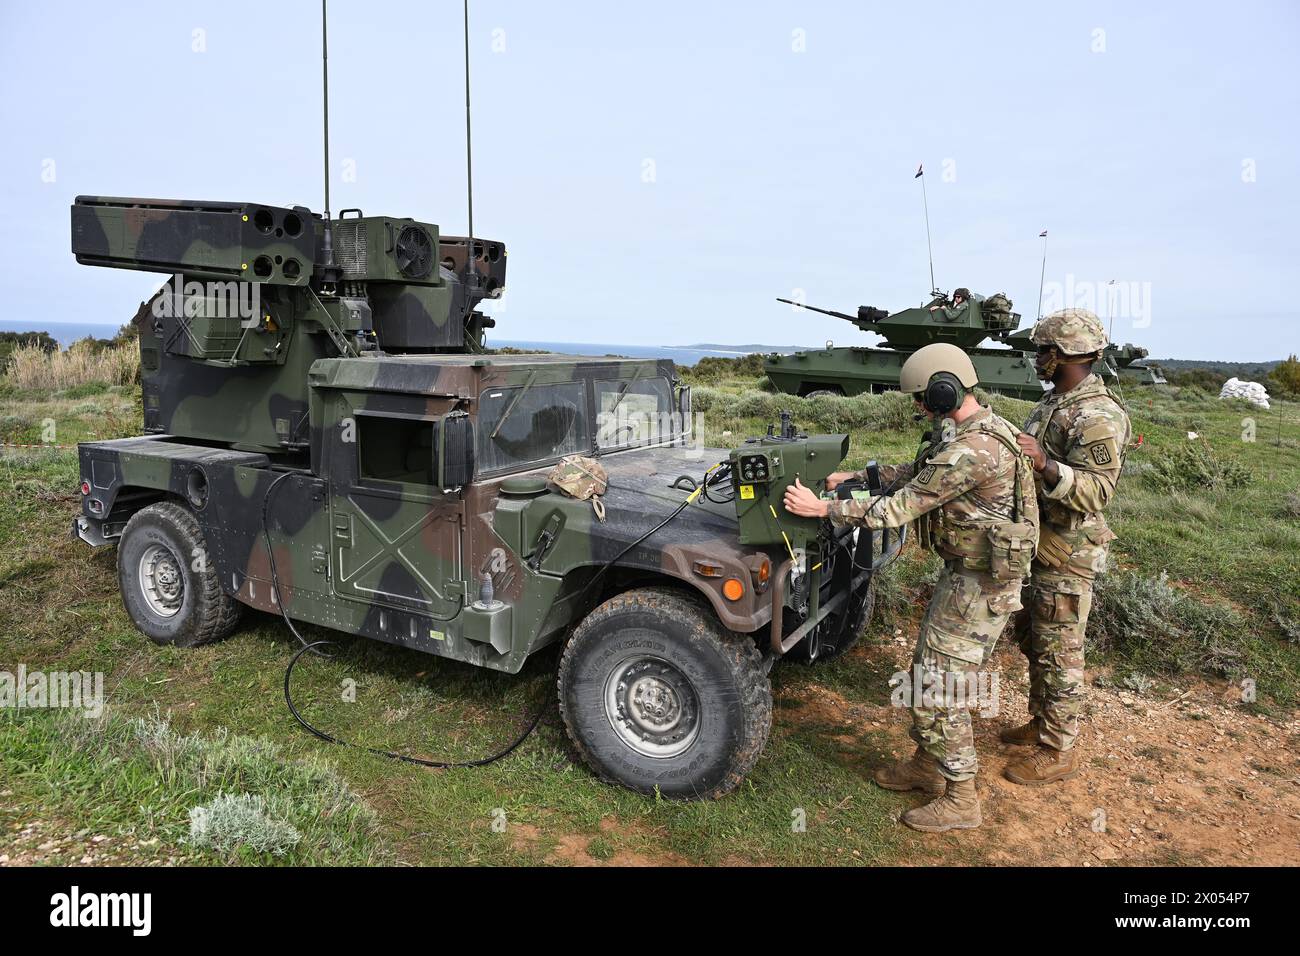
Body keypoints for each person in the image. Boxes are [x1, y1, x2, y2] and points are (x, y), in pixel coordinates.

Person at [784, 343, 1038, 832]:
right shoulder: (976, 432)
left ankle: (962, 799)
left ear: (945, 392)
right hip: (967, 578)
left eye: (923, 398)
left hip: (978, 587)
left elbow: (901, 508)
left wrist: (825, 509)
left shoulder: (974, 449)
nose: (920, 407)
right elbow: (921, 474)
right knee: (927, 671)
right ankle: (927, 766)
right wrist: (858, 476)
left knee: (944, 689)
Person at [1002, 308, 1131, 785]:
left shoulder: (1096, 414)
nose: (1037, 358)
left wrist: (1046, 467)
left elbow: (1098, 491)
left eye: (1043, 351)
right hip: (1043, 543)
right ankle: (1041, 721)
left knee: (1061, 649)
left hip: (1069, 551)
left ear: (1066, 355)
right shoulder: (1054, 402)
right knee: (1036, 638)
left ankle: (1059, 749)